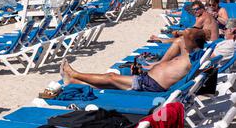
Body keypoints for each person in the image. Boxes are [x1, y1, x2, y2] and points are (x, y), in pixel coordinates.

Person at [61, 28, 207, 92]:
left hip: (150, 85)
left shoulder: (195, 57)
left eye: (186, 37)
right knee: (112, 84)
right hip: (149, 79)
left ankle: (74, 74)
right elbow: (185, 37)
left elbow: (209, 57)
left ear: (193, 41)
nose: (183, 37)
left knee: (111, 78)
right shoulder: (192, 52)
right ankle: (73, 82)